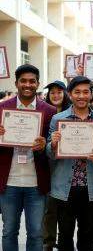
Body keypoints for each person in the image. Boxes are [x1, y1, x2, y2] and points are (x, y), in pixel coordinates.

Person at [46, 76, 93, 251]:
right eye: (77, 92)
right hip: (64, 186)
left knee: (87, 234)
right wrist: (53, 144)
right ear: (70, 94)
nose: (81, 96)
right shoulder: (58, 119)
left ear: (91, 94)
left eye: (85, 92)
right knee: (65, 234)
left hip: (91, 186)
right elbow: (49, 153)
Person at [0, 64, 57, 251]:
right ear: (16, 83)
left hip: (36, 182)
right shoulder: (2, 108)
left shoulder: (49, 111)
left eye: (32, 81)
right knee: (9, 231)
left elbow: (53, 147)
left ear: (37, 84)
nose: (28, 85)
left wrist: (43, 147)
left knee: (35, 232)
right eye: (23, 81)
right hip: (9, 181)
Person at [42, 80, 72, 251]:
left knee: (66, 208)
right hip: (49, 164)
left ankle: (65, 240)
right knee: (50, 207)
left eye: (59, 92)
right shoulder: (45, 114)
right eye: (52, 92)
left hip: (69, 164)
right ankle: (48, 241)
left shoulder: (73, 113)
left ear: (65, 94)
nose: (55, 95)